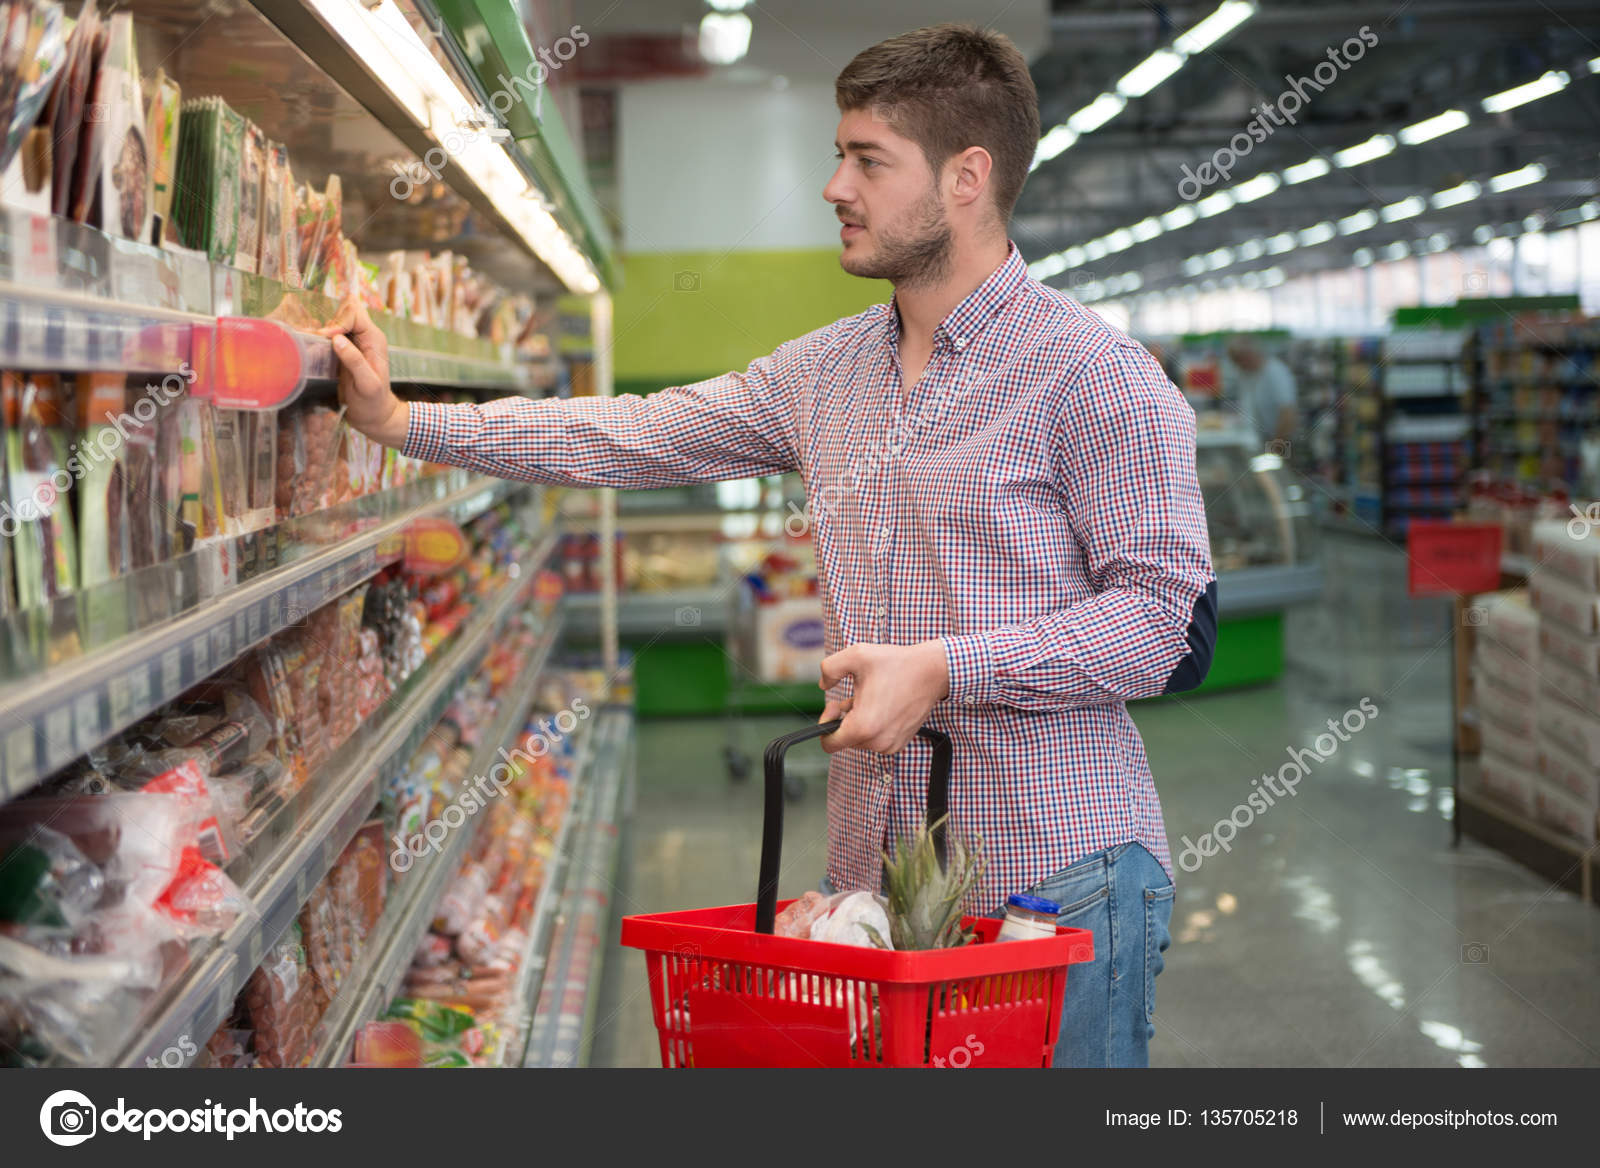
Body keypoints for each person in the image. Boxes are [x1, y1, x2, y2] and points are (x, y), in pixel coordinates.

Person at [323, 23, 1216, 1068]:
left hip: (1053, 882)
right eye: (839, 154)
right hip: (874, 890)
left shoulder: (1095, 376)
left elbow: (1161, 624)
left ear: (967, 177)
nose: (833, 185)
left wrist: (943, 668)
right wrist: (403, 422)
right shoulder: (821, 373)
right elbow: (630, 432)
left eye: (867, 160)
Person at [1224, 334, 1298, 447]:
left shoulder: (1275, 372)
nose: (1239, 366)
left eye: (1239, 360)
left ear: (1250, 355)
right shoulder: (1247, 375)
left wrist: (1277, 446)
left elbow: (1287, 413)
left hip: (1279, 440)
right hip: (1258, 440)